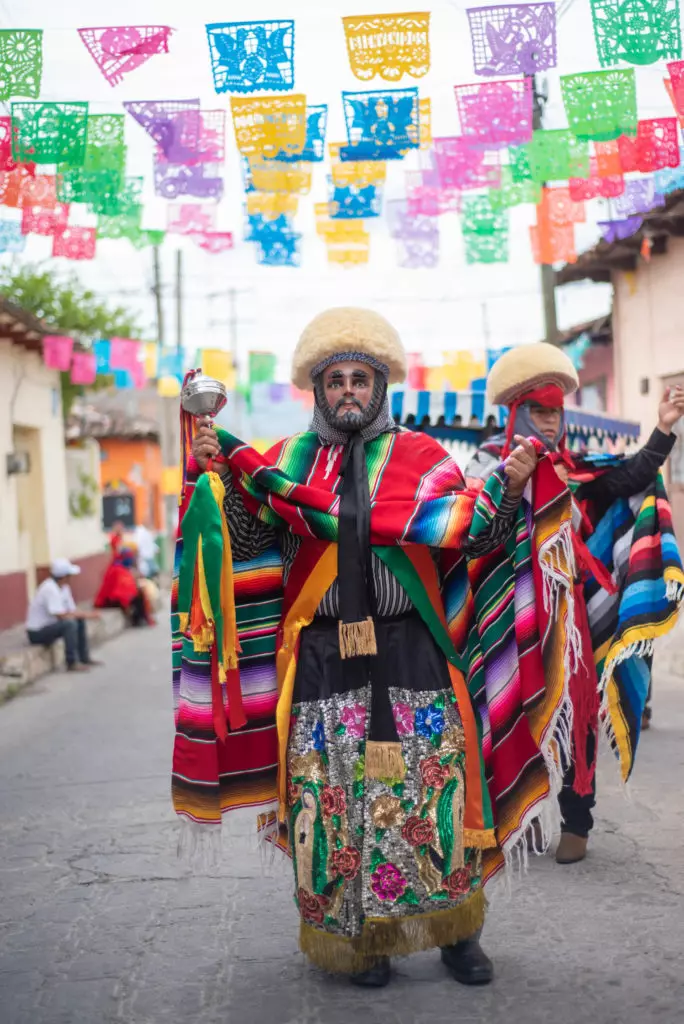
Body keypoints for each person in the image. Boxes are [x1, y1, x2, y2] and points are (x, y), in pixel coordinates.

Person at [172, 309, 600, 988]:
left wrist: (513, 483)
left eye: (359, 379)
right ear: (317, 389)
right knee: (334, 799)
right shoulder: (282, 464)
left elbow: (478, 536)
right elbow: (252, 549)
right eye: (336, 379)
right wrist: (217, 483)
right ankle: (360, 942)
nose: (348, 390)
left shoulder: (424, 458)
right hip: (320, 662)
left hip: (415, 655)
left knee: (435, 795)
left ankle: (457, 934)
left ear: (381, 386)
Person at [466, 344, 684, 865]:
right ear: (516, 412)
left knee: (576, 711)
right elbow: (471, 533)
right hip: (507, 613)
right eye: (539, 411)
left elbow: (630, 477)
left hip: (570, 619)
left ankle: (577, 818)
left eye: (554, 412)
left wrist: (665, 428)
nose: (548, 421)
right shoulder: (484, 466)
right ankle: (514, 816)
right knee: (507, 712)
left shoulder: (574, 470)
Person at [26, 558, 102, 672]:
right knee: (69, 625)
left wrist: (84, 615)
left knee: (78, 620)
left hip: (51, 625)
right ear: (63, 576)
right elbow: (60, 615)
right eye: (69, 575)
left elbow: (72, 610)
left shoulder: (64, 588)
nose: (71, 578)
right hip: (37, 632)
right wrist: (89, 615)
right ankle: (71, 662)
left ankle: (84, 657)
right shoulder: (49, 589)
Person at [95, 523, 155, 627]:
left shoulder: (124, 568)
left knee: (142, 593)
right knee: (139, 595)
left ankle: (142, 618)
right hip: (114, 599)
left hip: (124, 594)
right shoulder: (117, 570)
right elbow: (120, 592)